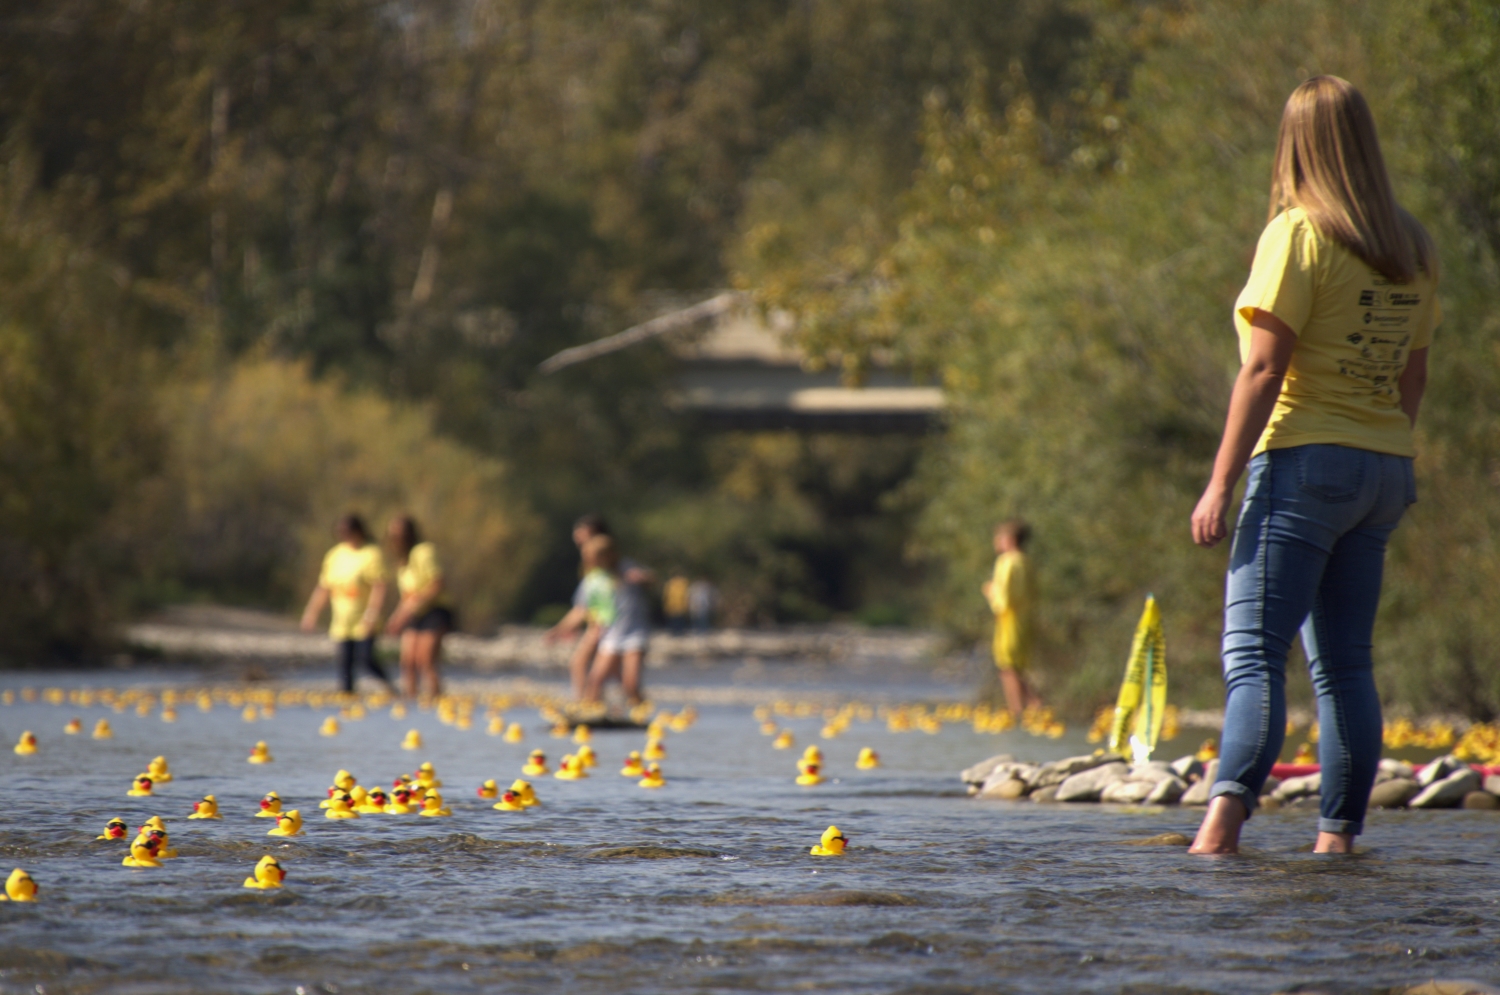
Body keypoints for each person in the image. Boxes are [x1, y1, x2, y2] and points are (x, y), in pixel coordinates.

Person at [1188, 77, 1440, 856]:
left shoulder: (1297, 234)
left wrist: (1220, 482)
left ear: (1297, 144)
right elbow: (1414, 373)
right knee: (1345, 664)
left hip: (1304, 462)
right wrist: (1385, 447)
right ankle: (1337, 839)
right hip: (1382, 466)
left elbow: (1264, 370)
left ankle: (1219, 830)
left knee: (1255, 653)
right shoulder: (1410, 245)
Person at [300, 514, 396, 694]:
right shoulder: (335, 555)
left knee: (365, 658)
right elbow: (324, 587)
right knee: (345, 664)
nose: (344, 536)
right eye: (340, 532)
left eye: (347, 532)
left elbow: (380, 586)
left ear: (358, 531)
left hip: (364, 618)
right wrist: (311, 613)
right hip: (342, 620)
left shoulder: (371, 553)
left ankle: (389, 687)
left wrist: (372, 614)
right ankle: (347, 698)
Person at [384, 515, 453, 700]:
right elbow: (405, 597)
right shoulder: (402, 563)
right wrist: (396, 618)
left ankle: (435, 699)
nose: (395, 539)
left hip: (434, 611)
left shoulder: (424, 551)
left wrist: (413, 606)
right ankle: (411, 701)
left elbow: (437, 584)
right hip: (413, 614)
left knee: (426, 661)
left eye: (398, 535)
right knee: (408, 661)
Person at [545, 513, 613, 699]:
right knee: (588, 668)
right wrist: (561, 629)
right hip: (599, 624)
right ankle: (590, 703)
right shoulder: (590, 568)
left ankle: (589, 705)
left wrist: (561, 629)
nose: (580, 542)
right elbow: (584, 606)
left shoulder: (611, 565)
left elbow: (584, 607)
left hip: (607, 625)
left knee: (584, 666)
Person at [981, 519, 1039, 718]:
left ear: (1010, 539)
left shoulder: (1007, 562)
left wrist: (990, 593)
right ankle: (1031, 707)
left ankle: (1019, 709)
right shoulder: (1026, 561)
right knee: (1017, 665)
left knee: (1008, 666)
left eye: (1000, 537)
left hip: (1009, 618)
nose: (996, 541)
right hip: (1025, 618)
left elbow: (1003, 598)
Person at [584, 535, 650, 706]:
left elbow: (649, 579)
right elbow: (593, 607)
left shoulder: (626, 568)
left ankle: (640, 714)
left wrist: (642, 578)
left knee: (631, 684)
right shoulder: (596, 578)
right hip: (612, 633)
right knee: (595, 680)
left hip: (635, 633)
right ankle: (593, 713)